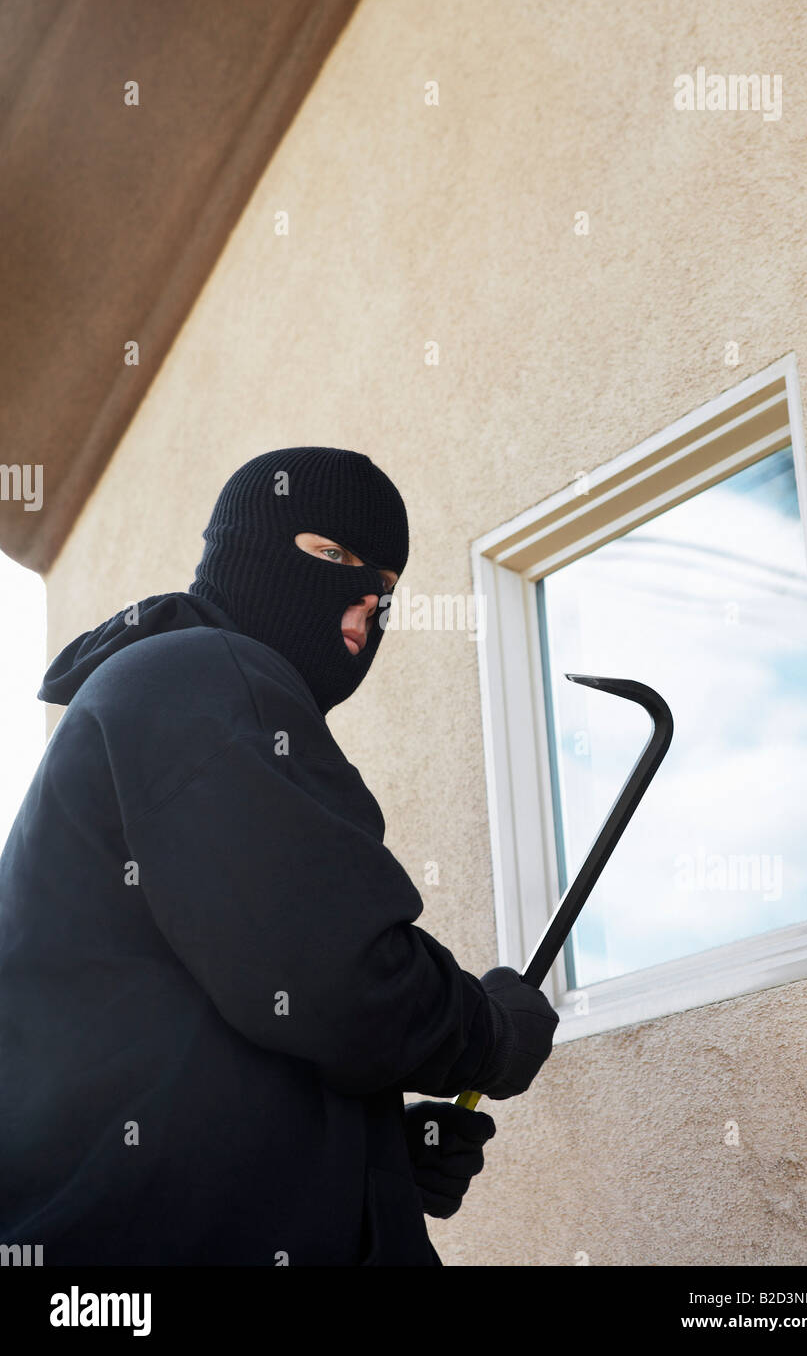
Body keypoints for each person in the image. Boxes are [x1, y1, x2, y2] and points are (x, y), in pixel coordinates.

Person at [0, 446, 558, 1266]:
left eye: (389, 586)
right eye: (334, 555)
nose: (368, 597)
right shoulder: (207, 677)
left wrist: (371, 1159)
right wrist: (489, 1031)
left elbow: (211, 1025)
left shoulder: (168, 691)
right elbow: (336, 975)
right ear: (246, 552)